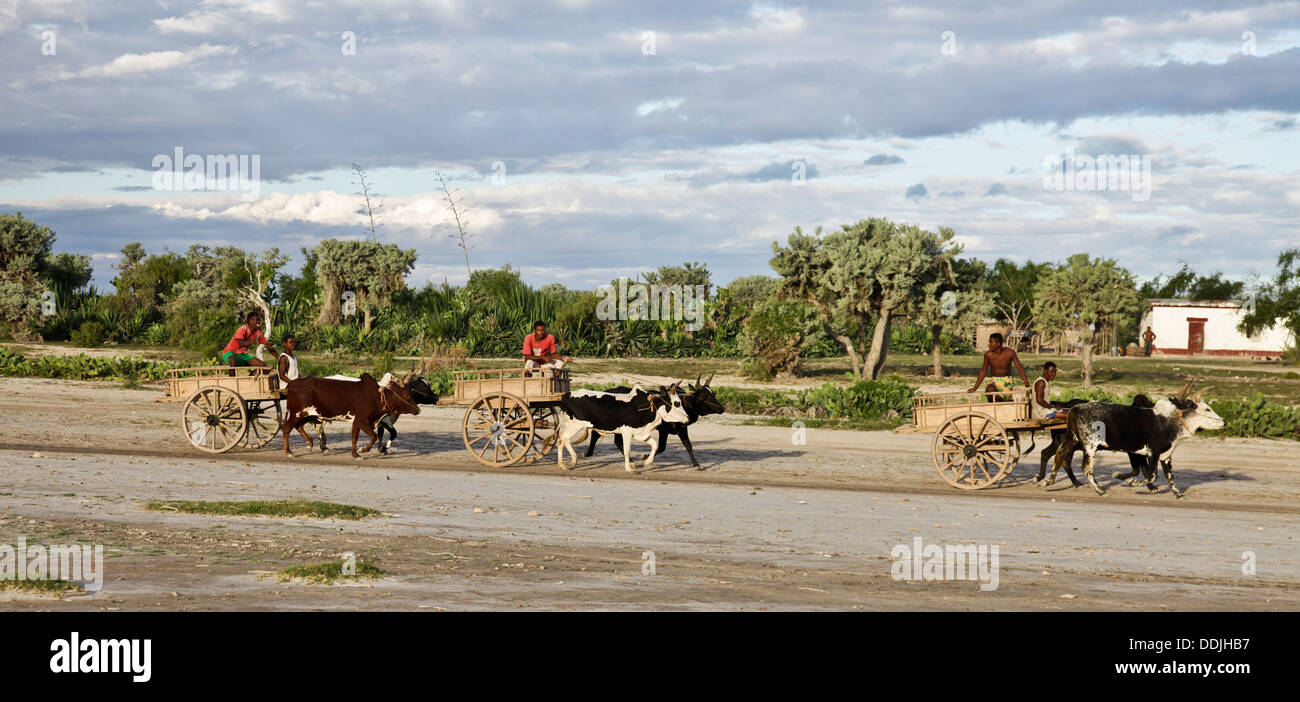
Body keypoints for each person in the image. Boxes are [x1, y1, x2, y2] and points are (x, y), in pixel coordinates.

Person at [968, 332, 1029, 401]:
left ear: (998, 344)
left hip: (1006, 380)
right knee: (989, 390)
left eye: (991, 343)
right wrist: (975, 388)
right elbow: (983, 372)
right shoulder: (988, 355)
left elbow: (1020, 368)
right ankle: (995, 404)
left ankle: (1003, 400)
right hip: (994, 380)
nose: (989, 345)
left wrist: (1026, 383)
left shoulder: (1010, 353)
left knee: (1002, 397)